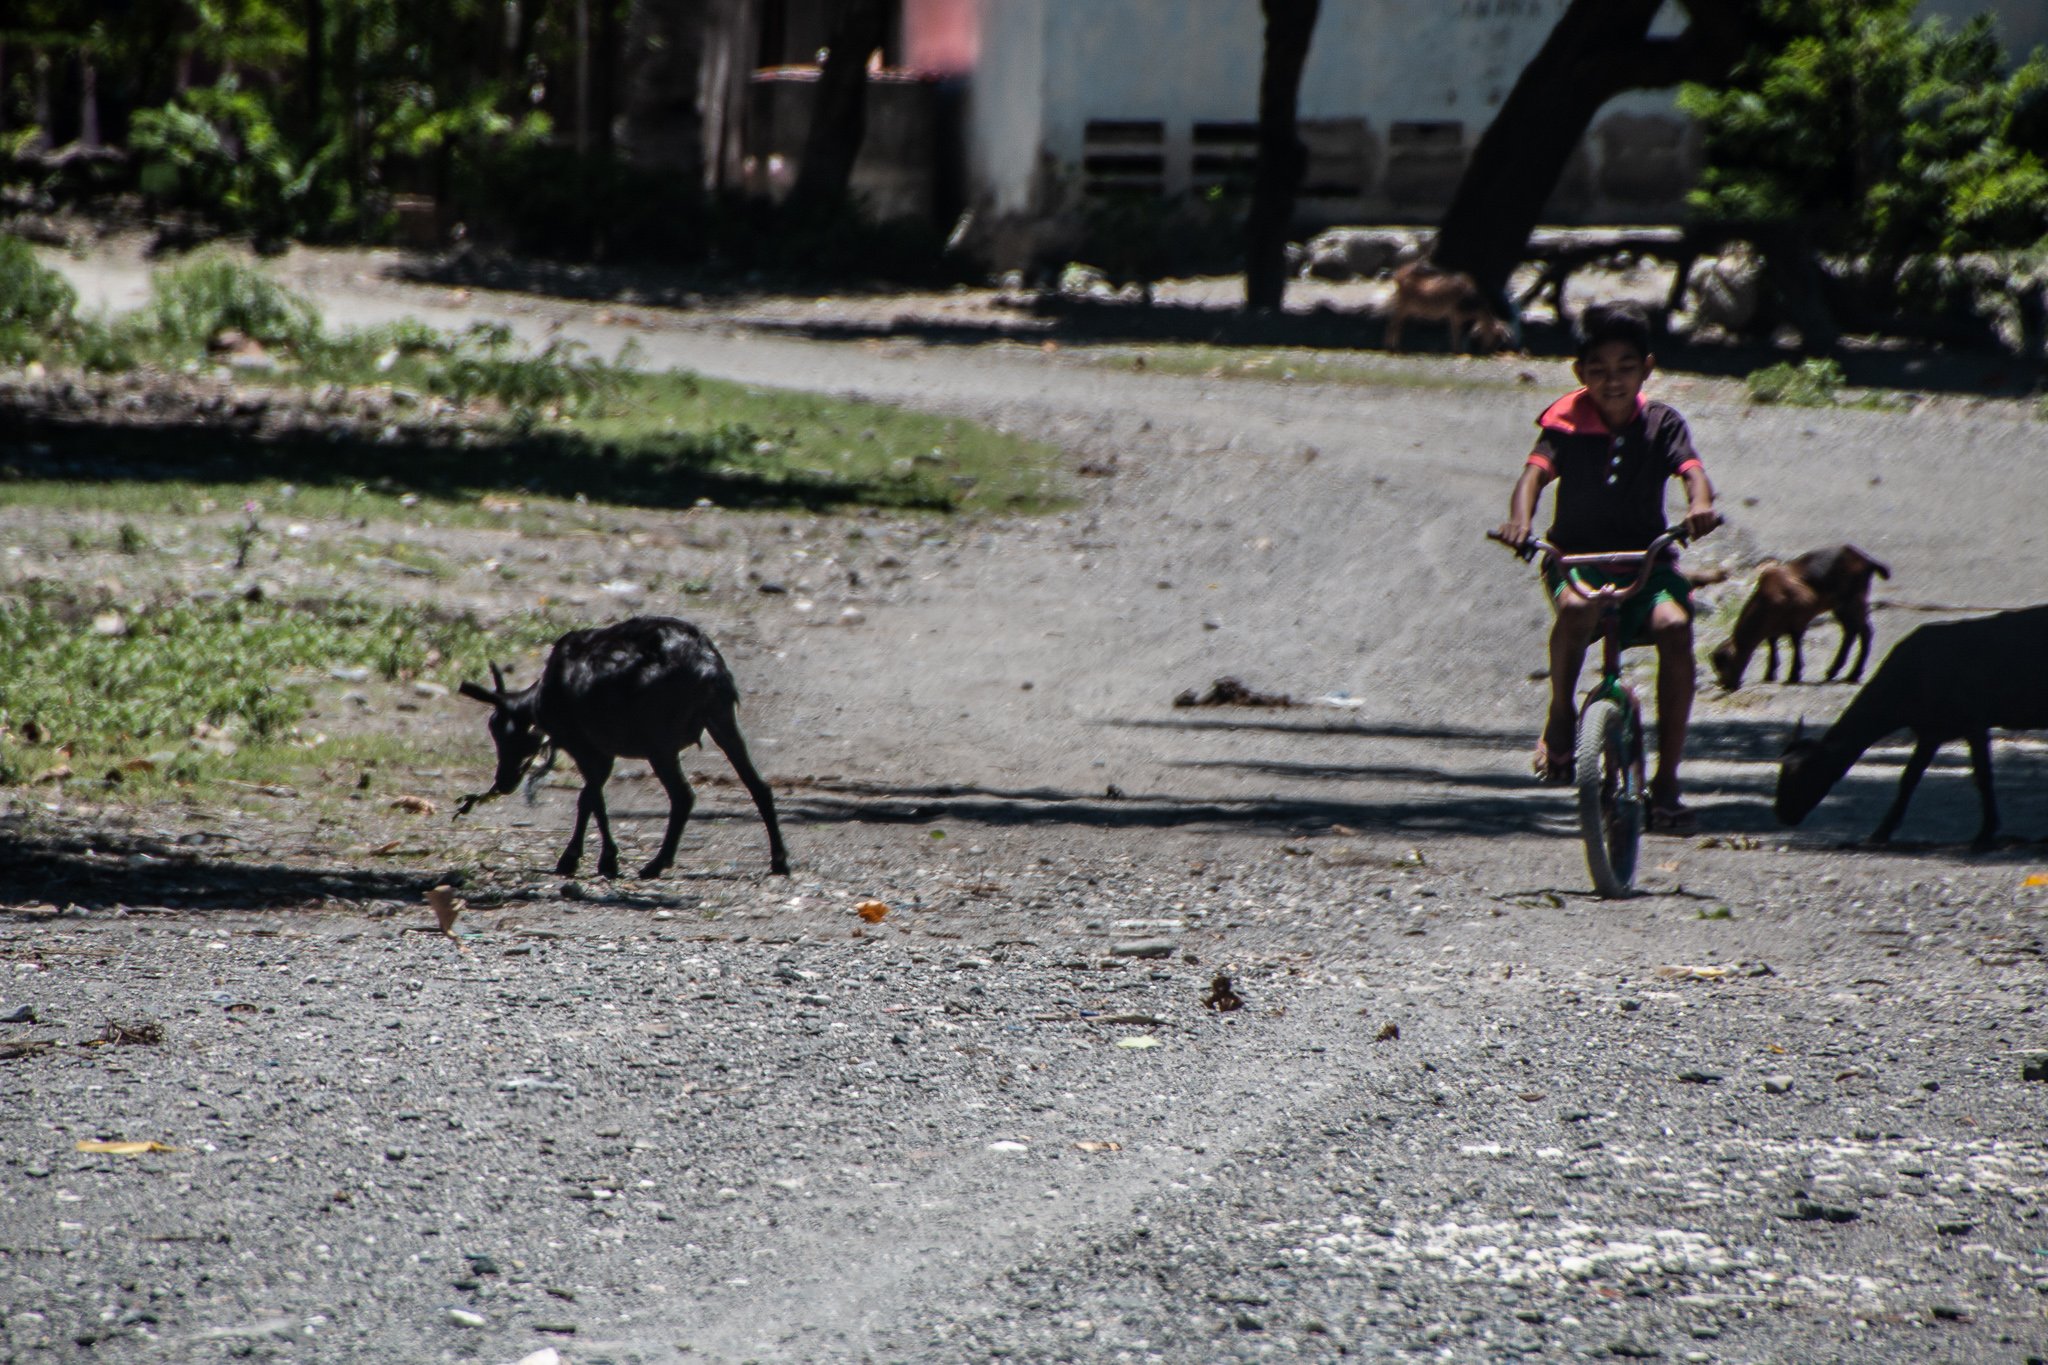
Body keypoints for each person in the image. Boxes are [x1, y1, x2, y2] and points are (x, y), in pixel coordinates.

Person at [1496, 302, 1721, 832]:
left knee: (1675, 626)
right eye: (1598, 369)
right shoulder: (1565, 423)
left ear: (1646, 368)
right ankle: (1559, 718)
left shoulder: (1663, 422)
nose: (1612, 380)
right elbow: (1532, 477)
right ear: (1581, 374)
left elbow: (1693, 473)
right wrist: (1518, 522)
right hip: (1575, 560)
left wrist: (1699, 506)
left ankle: (1666, 780)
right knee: (1574, 609)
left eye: (1624, 367)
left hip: (1647, 559)